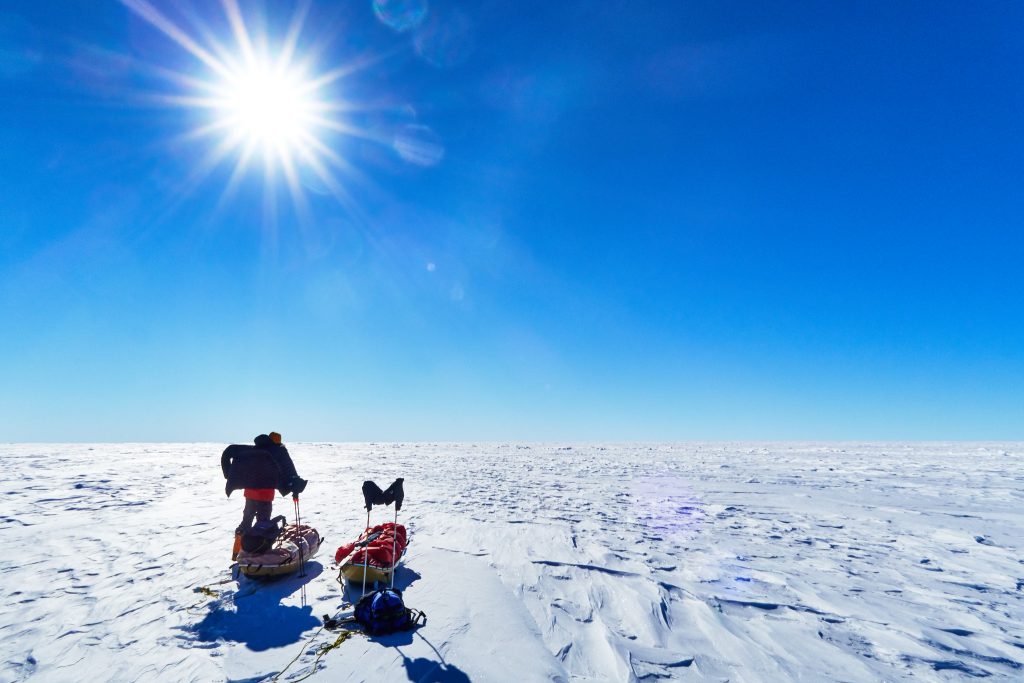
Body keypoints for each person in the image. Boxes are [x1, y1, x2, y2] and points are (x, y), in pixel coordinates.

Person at [231, 431, 305, 560]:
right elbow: (287, 469)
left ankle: (237, 553)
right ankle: (259, 554)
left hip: (249, 493)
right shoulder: (276, 451)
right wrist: (294, 484)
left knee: (246, 521)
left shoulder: (255, 451)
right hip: (264, 495)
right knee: (262, 524)